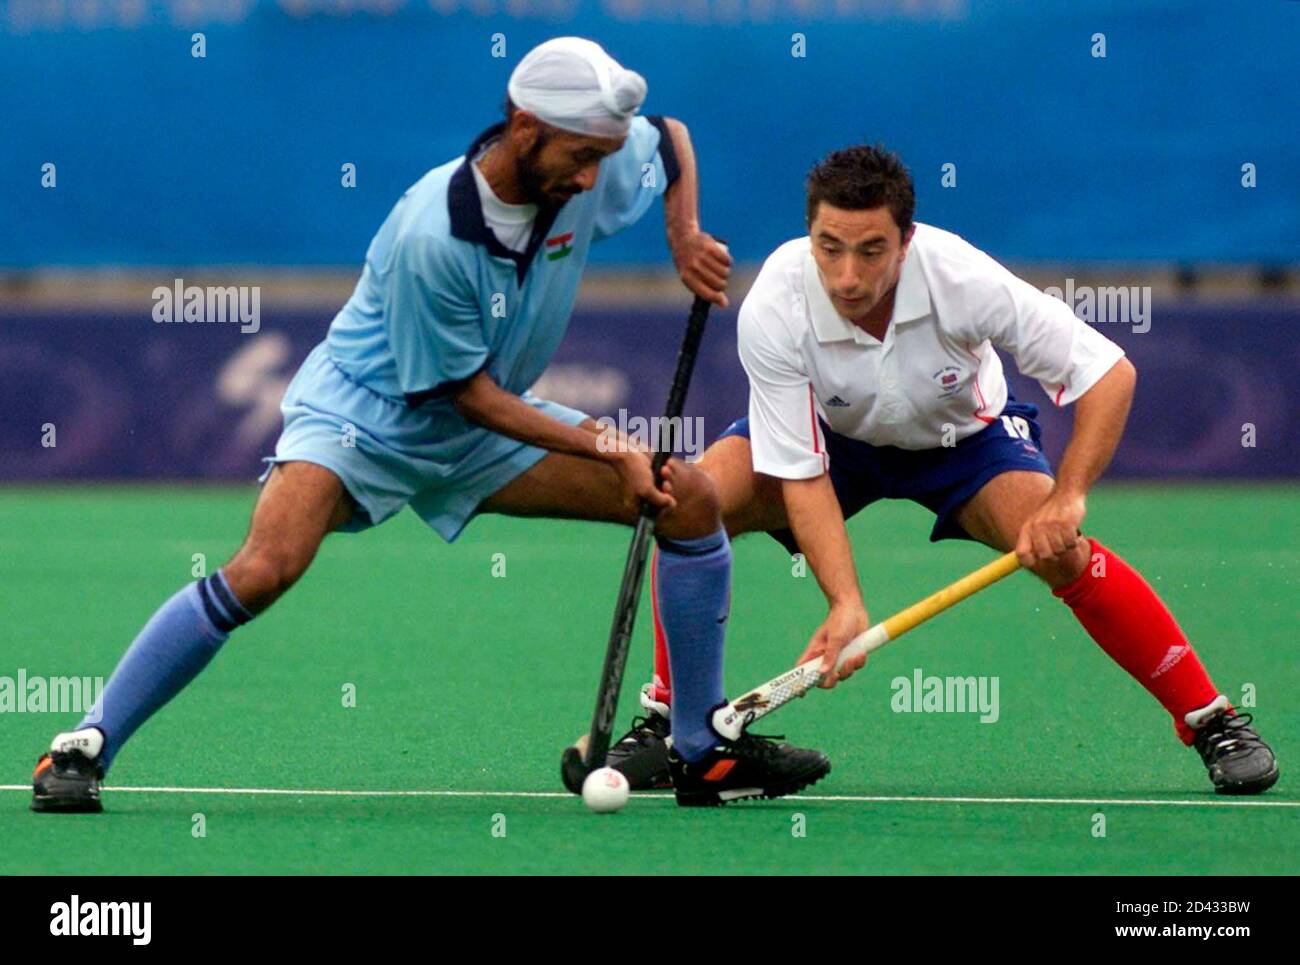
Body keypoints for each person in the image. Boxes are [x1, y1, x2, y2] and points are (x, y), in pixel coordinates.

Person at [31, 38, 831, 814]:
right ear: (525, 129)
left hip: (481, 425)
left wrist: (682, 235)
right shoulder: (433, 234)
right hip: (365, 417)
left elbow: (673, 139)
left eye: (604, 156)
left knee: (687, 500)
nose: (595, 178)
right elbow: (466, 396)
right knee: (265, 567)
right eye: (582, 157)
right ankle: (86, 744)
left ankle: (698, 747)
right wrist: (606, 442)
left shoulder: (588, 154)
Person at [608, 144, 1279, 797]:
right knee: (691, 501)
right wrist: (845, 603)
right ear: (809, 233)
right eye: (829, 247)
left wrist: (1067, 497)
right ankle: (677, 721)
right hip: (833, 440)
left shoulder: (962, 279)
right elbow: (804, 474)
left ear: (906, 243)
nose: (847, 275)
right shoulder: (775, 304)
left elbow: (1107, 372)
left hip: (965, 441)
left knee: (1064, 555)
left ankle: (1211, 718)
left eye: (871, 250)